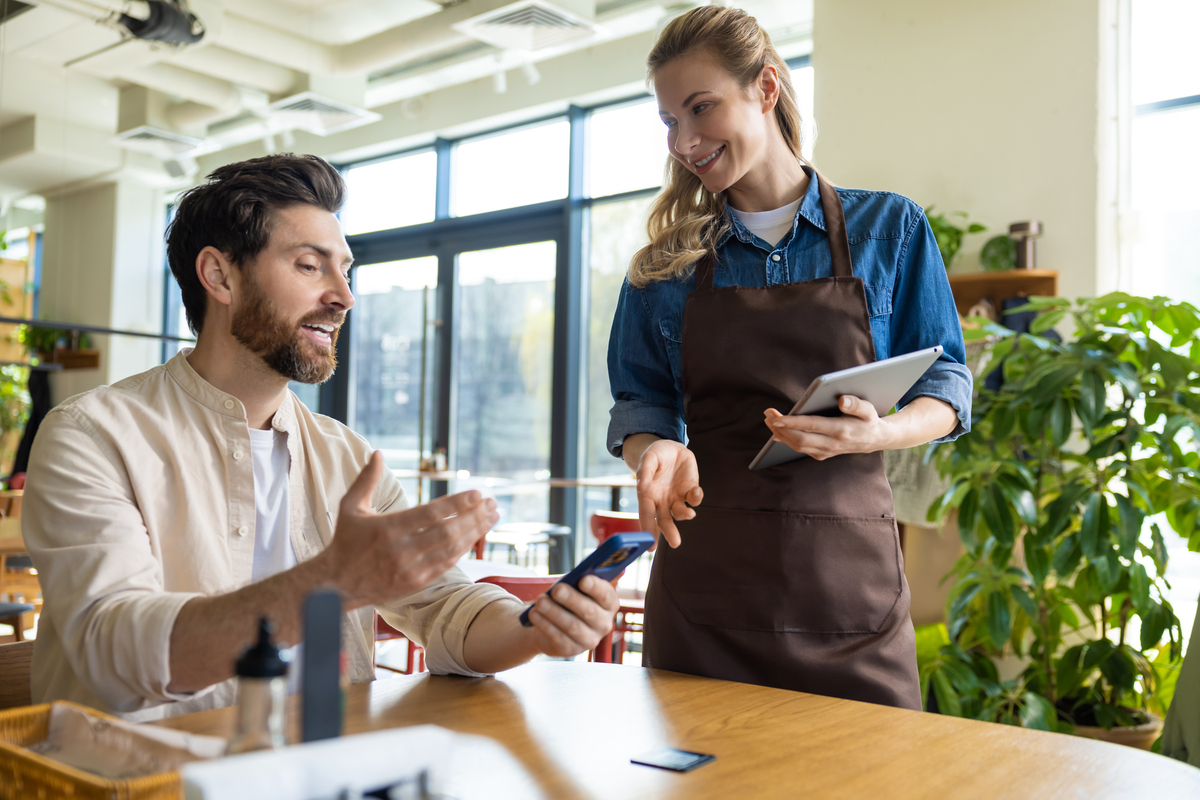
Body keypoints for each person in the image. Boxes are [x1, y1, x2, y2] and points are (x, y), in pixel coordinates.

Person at [24, 154, 618, 721]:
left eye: (346, 270)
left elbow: (443, 605)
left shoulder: (349, 457)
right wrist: (333, 580)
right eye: (310, 266)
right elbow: (112, 653)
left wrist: (533, 626)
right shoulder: (91, 434)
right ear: (218, 275)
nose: (344, 297)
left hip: (323, 765)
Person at [606, 6, 973, 710]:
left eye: (700, 107)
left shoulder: (889, 230)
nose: (684, 140)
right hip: (705, 594)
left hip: (850, 603)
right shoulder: (663, 269)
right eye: (669, 122)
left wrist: (881, 433)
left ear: (765, 88)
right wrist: (655, 451)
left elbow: (946, 383)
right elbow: (642, 406)